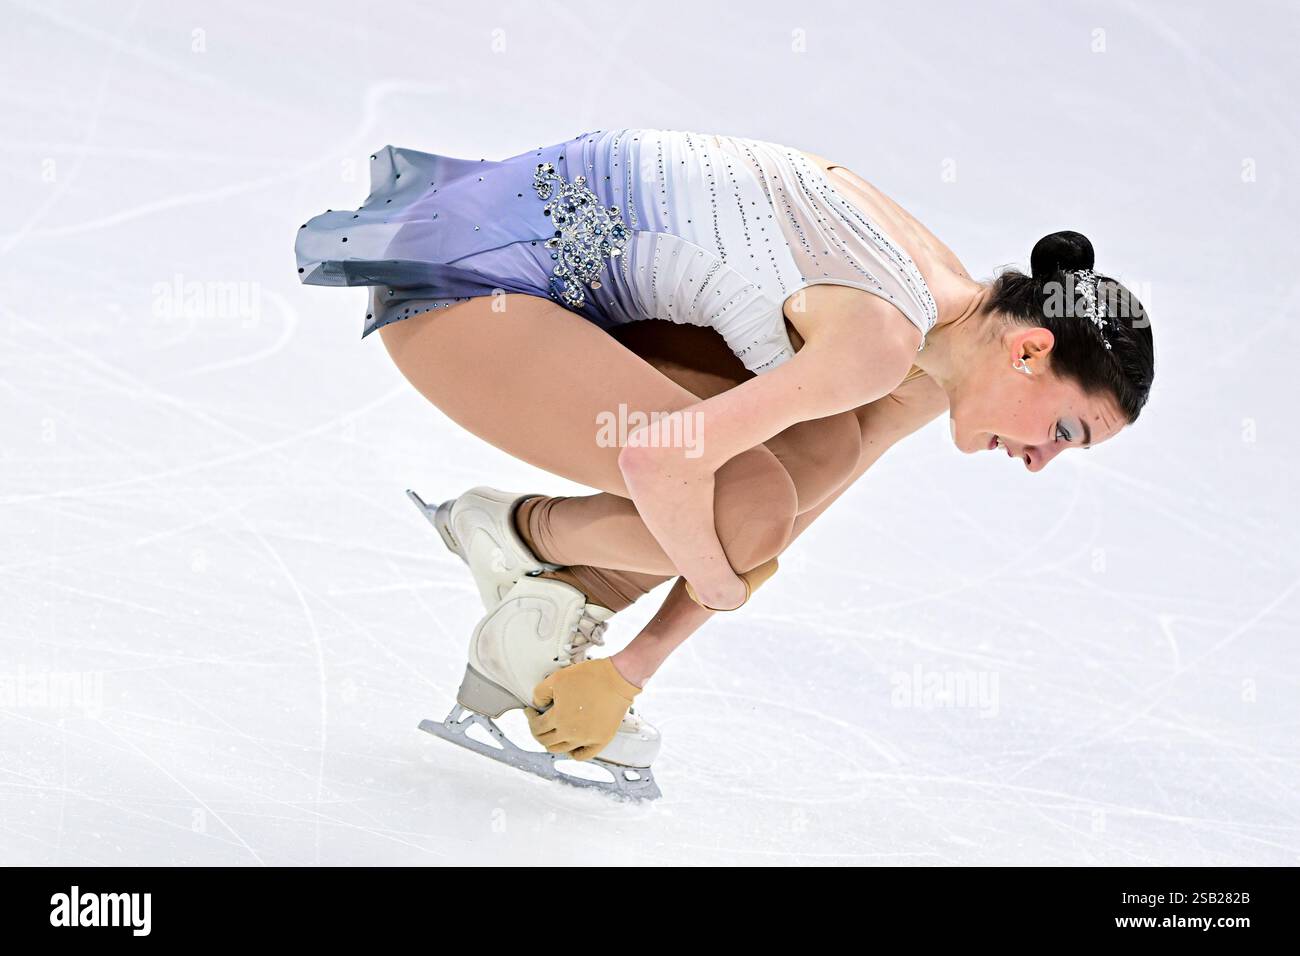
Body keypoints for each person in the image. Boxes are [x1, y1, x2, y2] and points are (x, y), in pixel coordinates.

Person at [295, 128, 1155, 777]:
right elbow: (669, 471)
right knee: (742, 509)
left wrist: (632, 670)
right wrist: (716, 586)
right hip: (465, 292)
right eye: (1066, 431)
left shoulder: (933, 345)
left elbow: (806, 505)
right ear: (1031, 351)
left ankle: (548, 612)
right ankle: (517, 534)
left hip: (564, 295)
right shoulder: (884, 337)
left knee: (811, 461)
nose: (1043, 460)